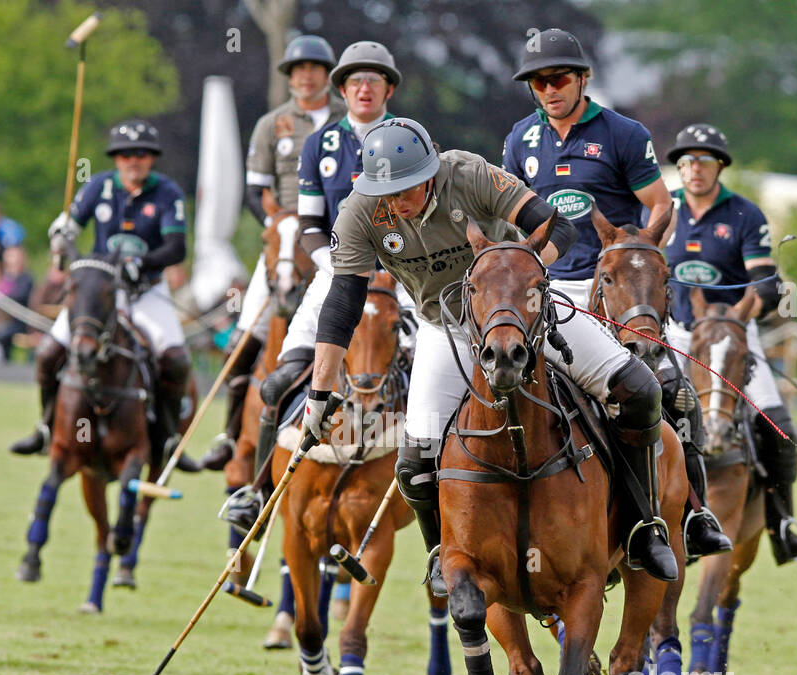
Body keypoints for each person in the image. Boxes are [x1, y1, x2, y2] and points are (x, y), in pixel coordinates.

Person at [301, 118, 680, 596]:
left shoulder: (470, 174)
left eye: (407, 188)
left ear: (431, 172)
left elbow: (557, 224)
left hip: (525, 314)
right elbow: (341, 306)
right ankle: (442, 553)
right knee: (414, 462)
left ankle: (642, 527)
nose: (397, 202)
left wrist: (525, 270)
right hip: (450, 327)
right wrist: (319, 392)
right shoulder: (359, 213)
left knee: (640, 391)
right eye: (387, 192)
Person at [501, 28, 731, 560]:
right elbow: (506, 215)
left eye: (558, 77)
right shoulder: (520, 139)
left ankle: (689, 515)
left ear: (583, 78)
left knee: (674, 391)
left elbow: (657, 204)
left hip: (618, 288)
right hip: (544, 287)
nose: (548, 89)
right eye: (538, 81)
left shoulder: (622, 133)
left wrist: (641, 250)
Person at [223, 40, 406, 528]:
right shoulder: (320, 143)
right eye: (355, 81)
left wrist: (394, 266)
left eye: (374, 80)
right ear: (342, 89)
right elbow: (306, 224)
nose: (364, 88)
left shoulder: (410, 138)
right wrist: (339, 264)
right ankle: (257, 490)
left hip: (402, 279)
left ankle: (438, 506)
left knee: (444, 377)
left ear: (388, 88)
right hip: (333, 276)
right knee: (280, 382)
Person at [663, 122, 797, 565]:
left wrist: (739, 318)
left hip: (732, 333)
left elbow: (766, 282)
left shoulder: (745, 215)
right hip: (672, 332)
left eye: (704, 162)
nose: (694, 170)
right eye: (687, 161)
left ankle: (783, 523)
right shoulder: (662, 209)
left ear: (720, 167)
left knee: (777, 422)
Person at [9, 119, 198, 469]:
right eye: (125, 155)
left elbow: (176, 248)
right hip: (99, 296)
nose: (133, 161)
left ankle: (170, 437)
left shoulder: (167, 192)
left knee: (175, 359)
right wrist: (62, 232)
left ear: (151, 158)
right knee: (48, 352)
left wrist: (140, 263)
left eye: (141, 154)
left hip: (147, 293)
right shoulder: (98, 187)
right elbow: (71, 225)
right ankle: (47, 426)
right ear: (116, 159)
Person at [200, 35, 346, 471]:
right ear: (289, 77)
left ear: (327, 75)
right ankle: (230, 435)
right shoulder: (272, 125)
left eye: (314, 68)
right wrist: (279, 233)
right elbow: (254, 190)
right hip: (286, 241)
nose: (305, 76)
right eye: (297, 69)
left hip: (339, 244)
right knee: (248, 332)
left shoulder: (347, 120)